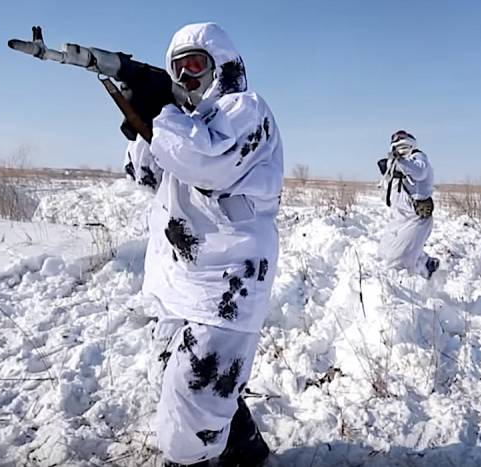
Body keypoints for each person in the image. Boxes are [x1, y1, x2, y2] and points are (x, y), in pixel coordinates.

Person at [123, 23, 283, 467]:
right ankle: (244, 449)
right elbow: (146, 175)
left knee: (189, 415)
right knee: (183, 381)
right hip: (180, 280)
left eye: (196, 64)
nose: (186, 76)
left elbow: (206, 163)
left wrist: (165, 115)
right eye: (178, 68)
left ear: (223, 67)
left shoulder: (245, 110)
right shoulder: (185, 123)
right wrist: (142, 122)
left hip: (226, 285)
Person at [377, 130, 440, 279]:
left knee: (398, 261)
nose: (400, 151)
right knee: (384, 252)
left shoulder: (418, 158)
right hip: (399, 218)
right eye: (397, 147)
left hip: (415, 219)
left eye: (403, 146)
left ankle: (406, 293)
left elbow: (419, 172)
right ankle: (426, 264)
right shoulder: (399, 165)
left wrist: (398, 162)